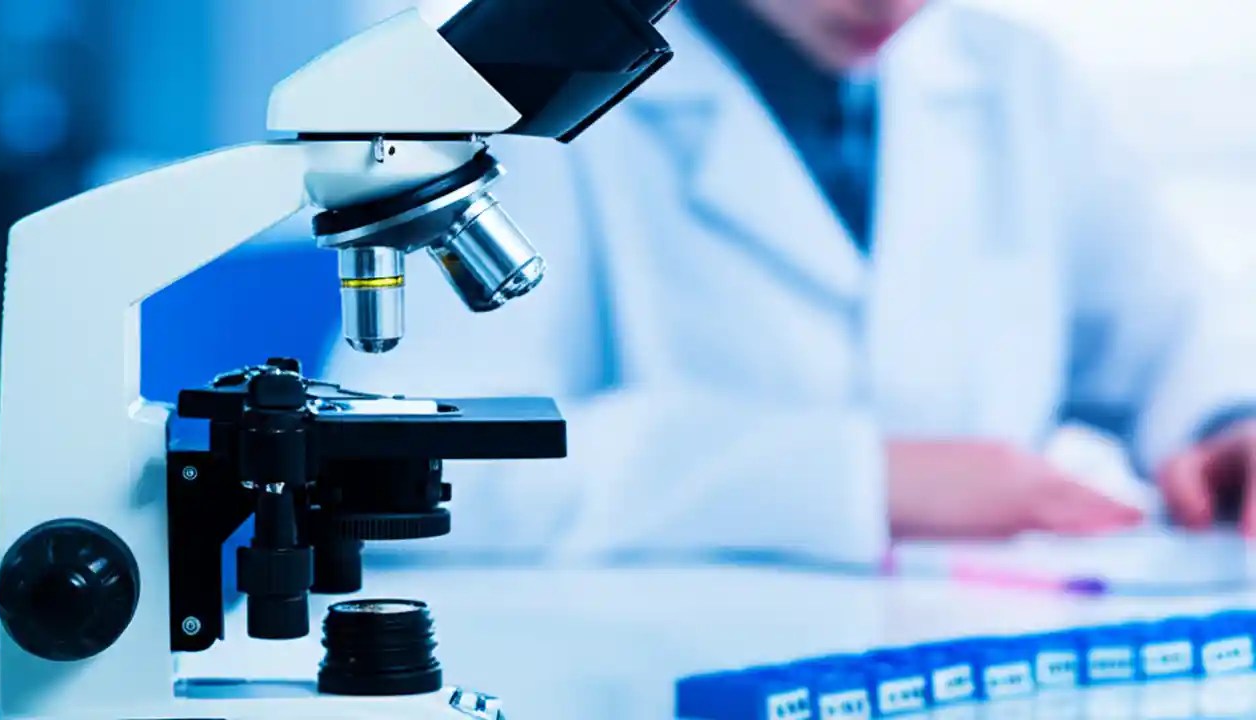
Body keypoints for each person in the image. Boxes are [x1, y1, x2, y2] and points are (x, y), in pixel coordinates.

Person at [327, 0, 1256, 563]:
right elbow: (399, 463)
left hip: (975, 635)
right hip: (647, 667)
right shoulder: (544, 92)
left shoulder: (1017, 78)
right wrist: (854, 481)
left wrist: (1226, 427)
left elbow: (1169, 331)